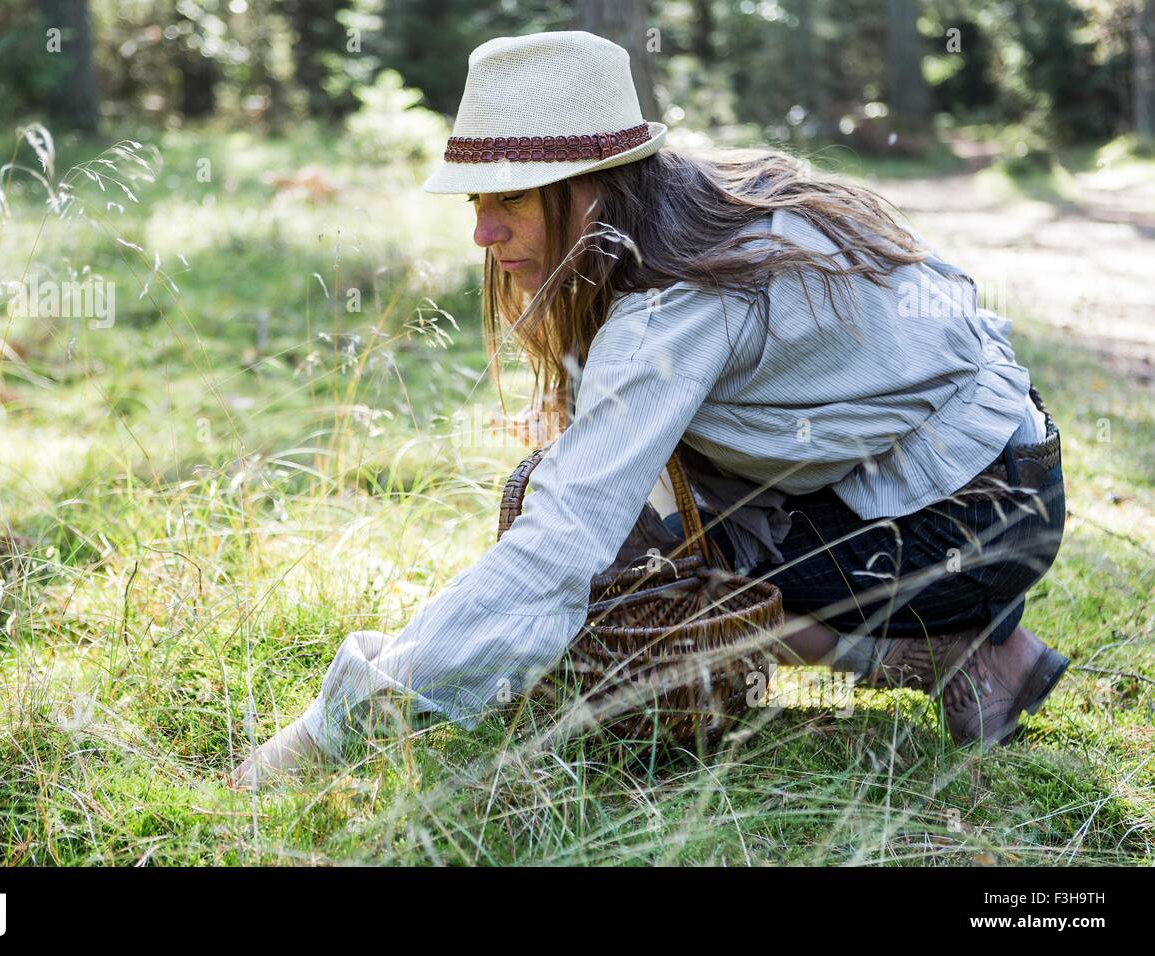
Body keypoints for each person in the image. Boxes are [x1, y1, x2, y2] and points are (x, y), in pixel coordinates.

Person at [229, 30, 1068, 789]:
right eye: (474, 203)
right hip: (996, 465)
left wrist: (329, 727)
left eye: (510, 199)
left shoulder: (677, 304)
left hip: (971, 515)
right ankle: (957, 652)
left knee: (605, 557)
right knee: (574, 496)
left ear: (594, 187)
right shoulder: (693, 204)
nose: (482, 234)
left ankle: (935, 652)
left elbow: (560, 545)